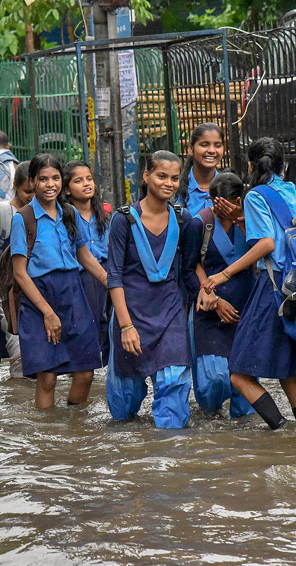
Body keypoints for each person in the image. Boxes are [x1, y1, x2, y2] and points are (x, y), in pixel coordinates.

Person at [204, 137, 296, 430]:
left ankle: (280, 431)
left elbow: (266, 243)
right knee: (290, 373)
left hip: (273, 288)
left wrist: (224, 274)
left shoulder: (255, 196)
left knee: (239, 373)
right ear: (283, 166)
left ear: (251, 166)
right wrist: (242, 220)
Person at [105, 151, 195, 428]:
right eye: (161, 176)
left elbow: (188, 270)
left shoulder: (183, 219)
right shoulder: (123, 220)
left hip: (169, 312)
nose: (168, 183)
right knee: (125, 398)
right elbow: (114, 276)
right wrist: (125, 326)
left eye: (174, 178)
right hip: (130, 312)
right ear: (146, 177)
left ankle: (169, 456)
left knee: (174, 381)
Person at [11, 154, 107, 409]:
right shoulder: (23, 218)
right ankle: (48, 438)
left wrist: (112, 283)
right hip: (39, 299)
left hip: (73, 295)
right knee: (47, 378)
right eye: (43, 179)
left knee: (86, 372)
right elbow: (20, 272)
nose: (50, 184)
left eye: (55, 178)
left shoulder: (70, 213)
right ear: (32, 182)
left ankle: (74, 431)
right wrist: (47, 312)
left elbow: (84, 256)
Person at [182, 171, 255, 418]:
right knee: (213, 379)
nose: (220, 208)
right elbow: (189, 266)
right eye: (216, 202)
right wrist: (211, 297)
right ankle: (211, 420)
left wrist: (240, 220)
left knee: (245, 382)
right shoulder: (199, 224)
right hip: (210, 309)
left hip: (245, 308)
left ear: (238, 202)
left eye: (229, 203)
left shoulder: (251, 223)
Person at [0, 161, 34, 377]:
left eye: (34, 191)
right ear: (15, 186)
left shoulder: (49, 211)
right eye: (27, 191)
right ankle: (20, 401)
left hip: (42, 287)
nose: (31, 196)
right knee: (19, 352)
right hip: (10, 291)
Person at [60, 160, 110, 365]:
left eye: (89, 179)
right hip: (81, 276)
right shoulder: (65, 216)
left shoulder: (104, 213)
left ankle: (106, 363)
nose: (86, 184)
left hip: (105, 272)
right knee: (87, 321)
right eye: (78, 181)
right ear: (68, 189)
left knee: (107, 320)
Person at [175, 123, 224, 216]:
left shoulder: (228, 186)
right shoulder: (175, 188)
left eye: (217, 145)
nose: (212, 150)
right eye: (204, 145)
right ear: (190, 149)